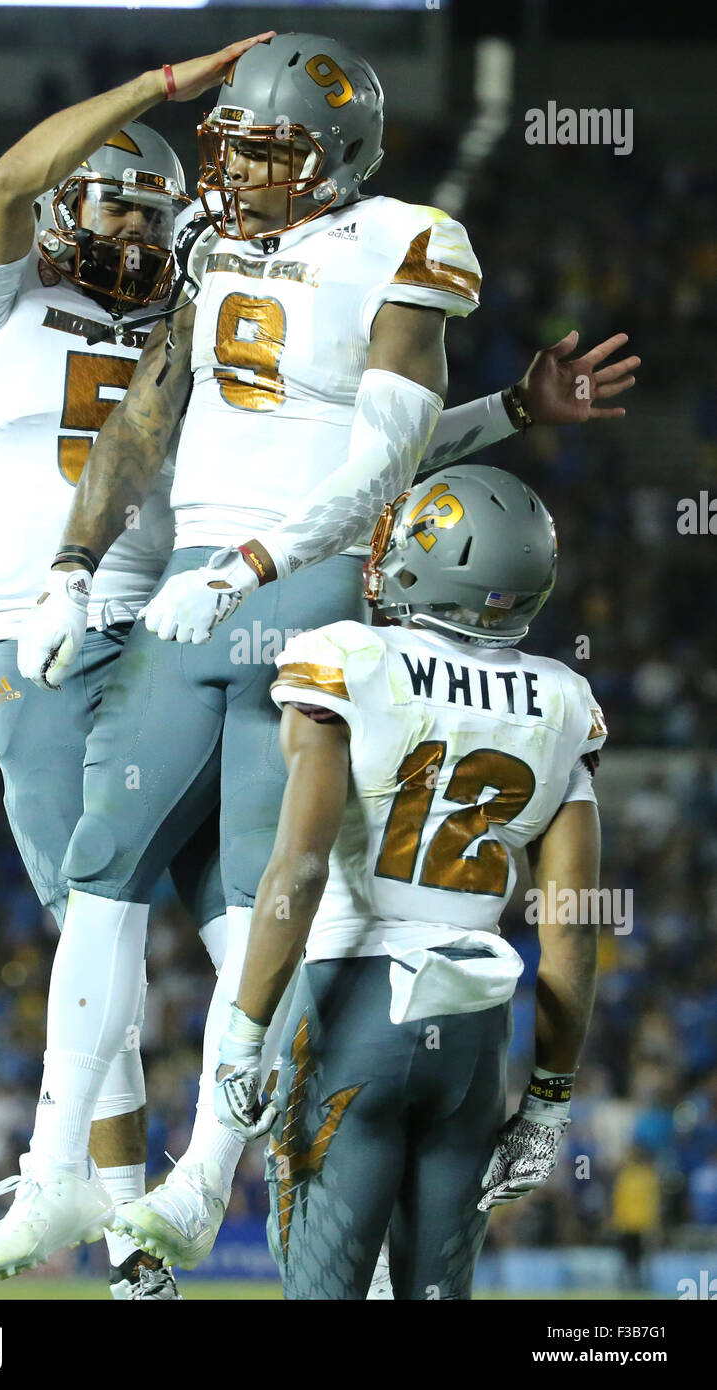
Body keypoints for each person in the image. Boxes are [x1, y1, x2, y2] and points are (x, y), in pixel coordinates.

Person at [4, 31, 636, 1276]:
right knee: (102, 872)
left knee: (266, 892)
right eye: (230, 144)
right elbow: (149, 412)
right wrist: (75, 562)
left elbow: (385, 460)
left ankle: (200, 1179)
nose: (237, 171)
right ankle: (54, 1166)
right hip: (196, 584)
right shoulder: (210, 242)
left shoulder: (405, 239)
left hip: (310, 592)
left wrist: (254, 565)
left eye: (273, 150)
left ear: (342, 156)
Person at [0, 31, 275, 1298]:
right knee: (99, 937)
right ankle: (135, 1239)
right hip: (51, 641)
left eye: (151, 198)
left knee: (232, 928)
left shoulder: (195, 332)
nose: (132, 216)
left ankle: (199, 1207)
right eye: (115, 191)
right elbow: (6, 191)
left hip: (174, 632)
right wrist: (159, 93)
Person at [213, 465, 607, 1300]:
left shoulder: (348, 659)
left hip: (354, 1007)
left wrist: (244, 1036)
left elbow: (301, 865)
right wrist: (548, 1103)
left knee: (326, 1290)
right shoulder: (565, 699)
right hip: (474, 1027)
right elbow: (569, 919)